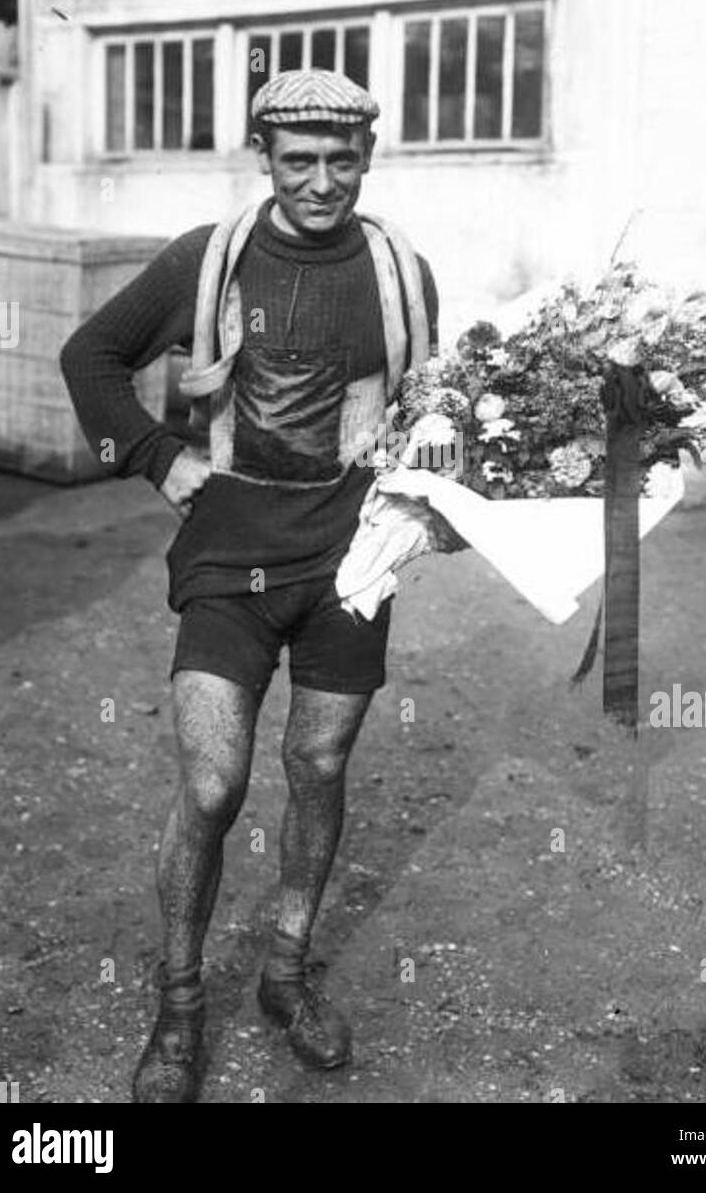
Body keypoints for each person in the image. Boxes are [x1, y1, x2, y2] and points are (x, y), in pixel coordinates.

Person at [60, 68, 439, 1103]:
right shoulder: (209, 257)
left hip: (351, 558)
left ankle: (285, 971)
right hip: (230, 552)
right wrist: (149, 454)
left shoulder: (401, 268)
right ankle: (179, 1007)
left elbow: (425, 412)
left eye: (342, 159)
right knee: (214, 782)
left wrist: (442, 494)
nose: (323, 181)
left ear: (368, 157)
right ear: (264, 159)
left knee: (318, 765)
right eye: (300, 160)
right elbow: (88, 355)